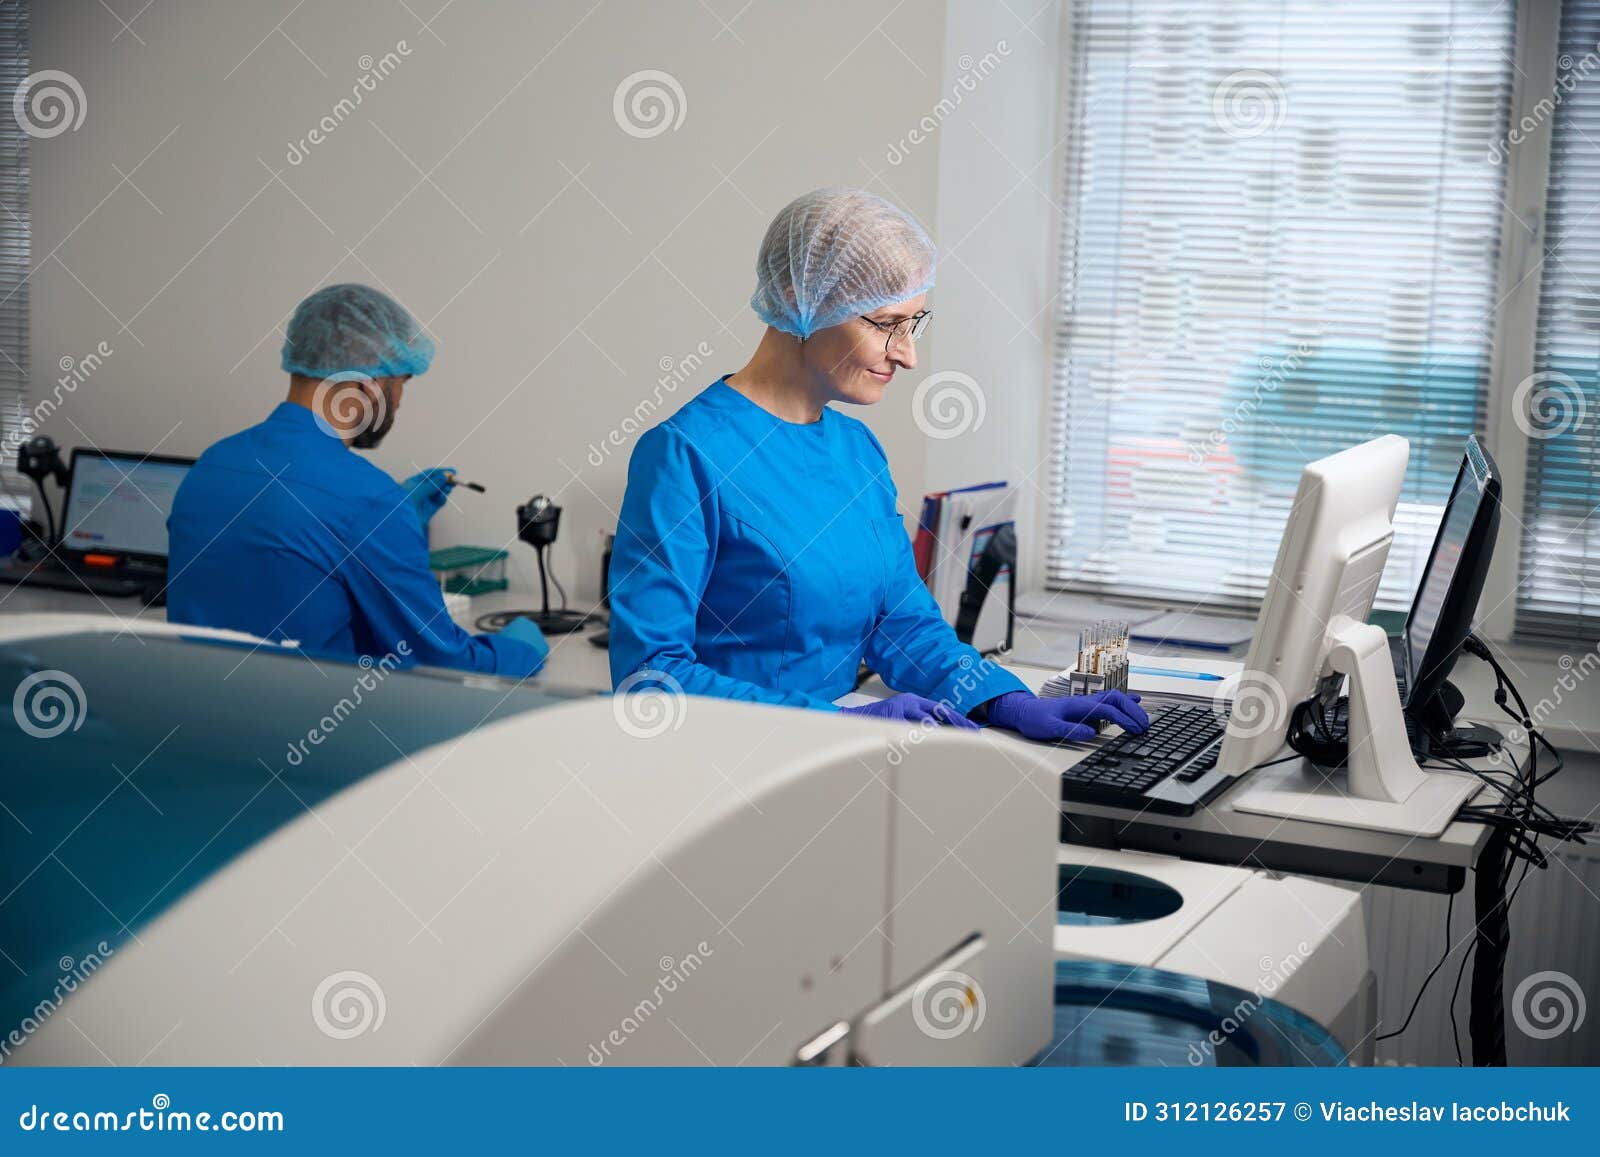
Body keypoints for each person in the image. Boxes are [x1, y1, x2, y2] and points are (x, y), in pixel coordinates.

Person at [607, 190, 1148, 741]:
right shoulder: (683, 454)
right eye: (887, 323)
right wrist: (836, 723)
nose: (908, 353)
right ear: (801, 302)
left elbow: (904, 624)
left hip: (834, 764)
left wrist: (1002, 699)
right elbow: (650, 677)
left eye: (915, 322)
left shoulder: (857, 450)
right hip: (723, 767)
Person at [166, 283, 548, 676]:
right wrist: (524, 647)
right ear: (368, 384)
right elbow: (441, 663)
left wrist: (397, 519)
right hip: (309, 728)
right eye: (400, 382)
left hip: (200, 720)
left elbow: (281, 575)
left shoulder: (211, 465)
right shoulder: (369, 500)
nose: (399, 401)